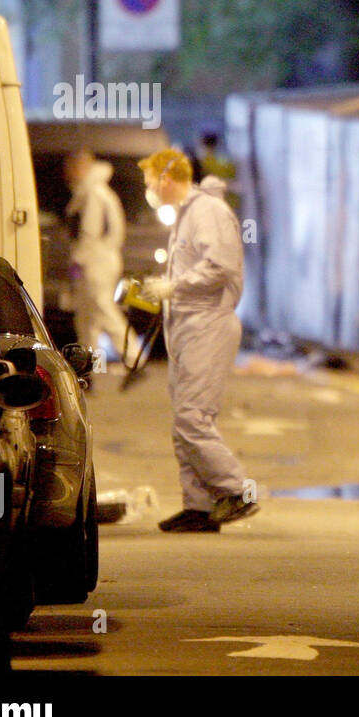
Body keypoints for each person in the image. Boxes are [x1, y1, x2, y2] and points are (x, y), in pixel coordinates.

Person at [138, 148, 257, 533]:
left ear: (166, 179)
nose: (149, 189)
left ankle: (237, 490)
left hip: (208, 325)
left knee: (193, 418)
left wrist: (174, 286)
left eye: (149, 182)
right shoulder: (188, 215)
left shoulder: (207, 212)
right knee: (184, 421)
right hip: (190, 326)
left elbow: (220, 266)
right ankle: (199, 506)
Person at [63, 150, 135, 366]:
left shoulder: (93, 193)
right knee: (87, 317)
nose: (68, 174)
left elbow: (89, 232)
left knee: (102, 310)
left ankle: (133, 358)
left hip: (96, 262)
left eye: (71, 168)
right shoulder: (93, 192)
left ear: (81, 167)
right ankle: (89, 367)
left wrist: (78, 261)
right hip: (97, 260)